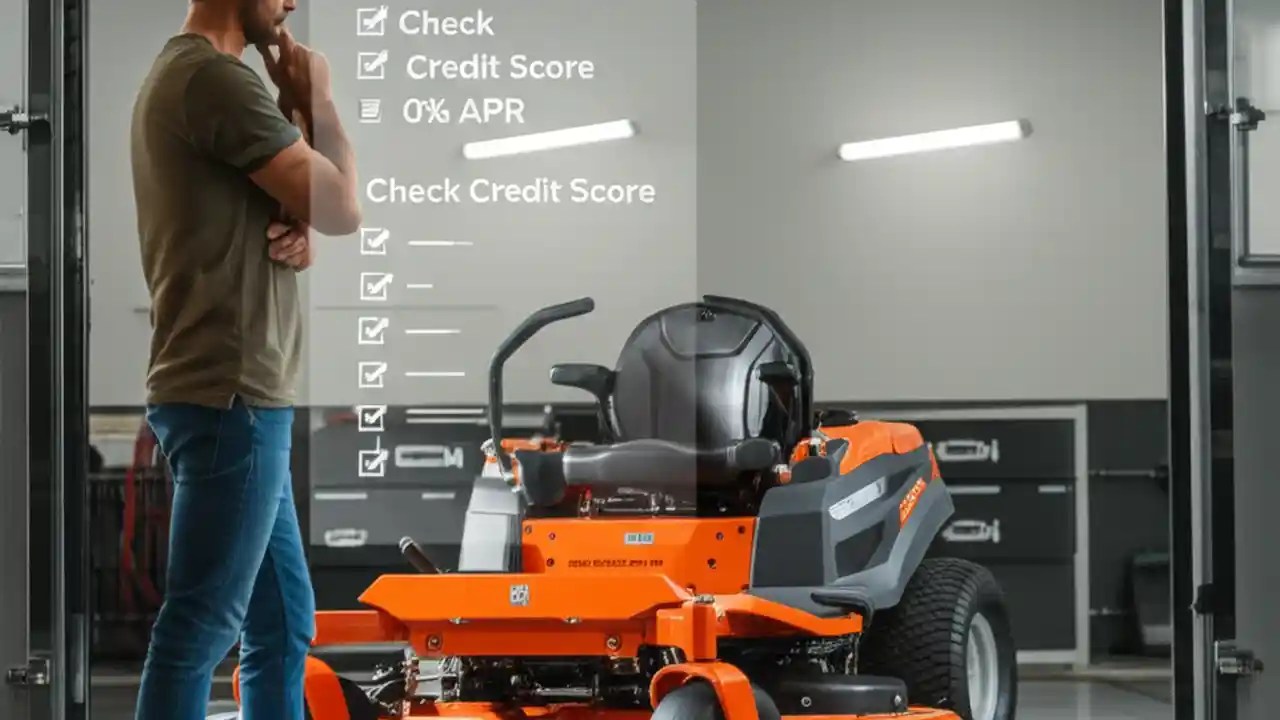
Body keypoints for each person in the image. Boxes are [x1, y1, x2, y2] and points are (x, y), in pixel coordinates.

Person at [129, 0, 360, 717]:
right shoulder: (213, 80)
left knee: (283, 622)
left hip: (241, 397)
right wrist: (315, 98)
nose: (292, 3)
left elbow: (303, 208)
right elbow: (343, 206)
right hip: (230, 395)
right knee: (202, 627)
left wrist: (303, 220)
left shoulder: (201, 78)